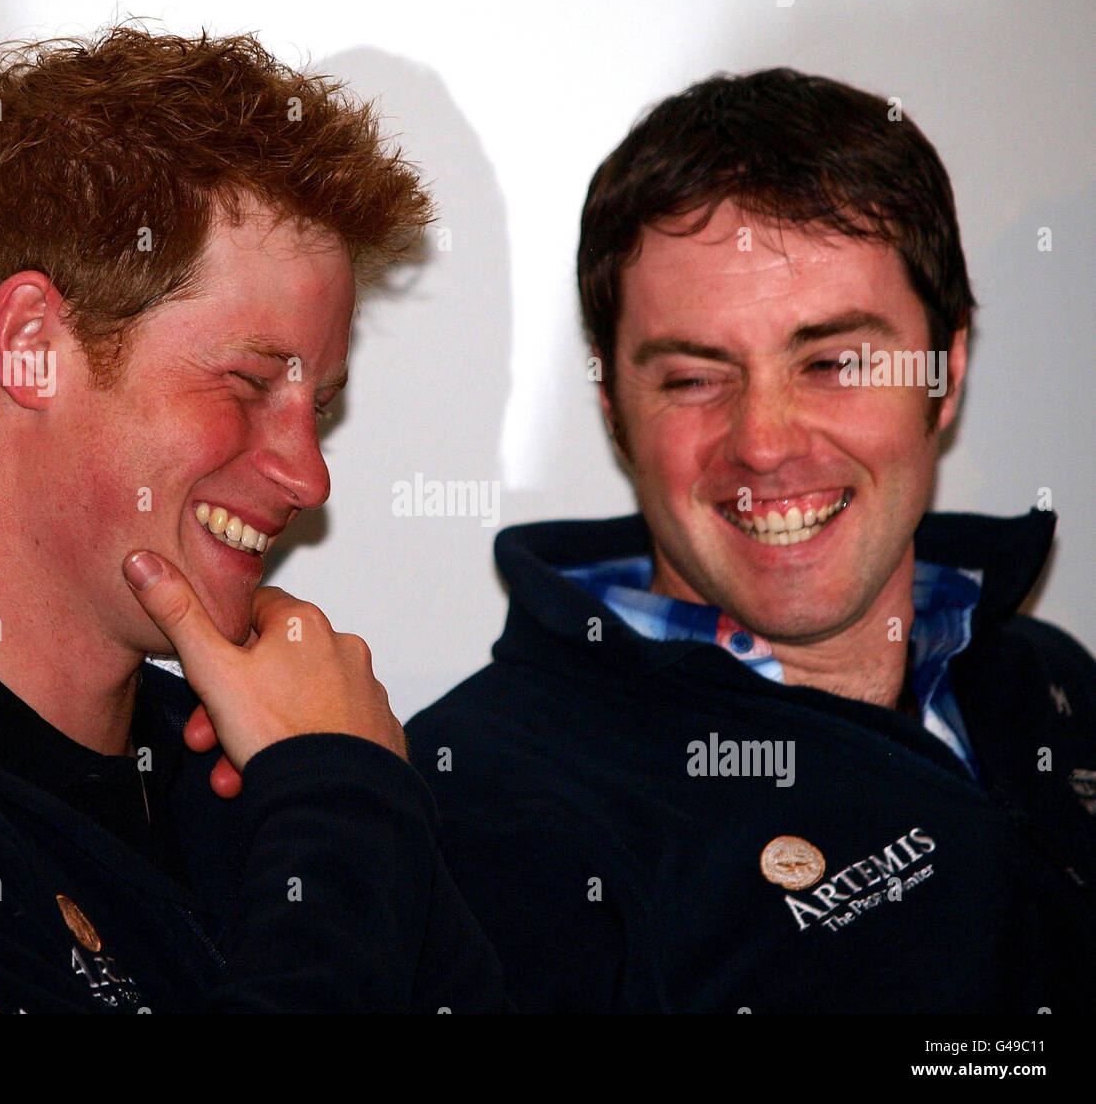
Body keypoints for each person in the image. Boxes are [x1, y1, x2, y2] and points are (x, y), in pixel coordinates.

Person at [0, 26, 504, 1014]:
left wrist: (338, 804)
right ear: (32, 346)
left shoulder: (254, 770)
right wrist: (341, 812)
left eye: (320, 409)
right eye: (250, 382)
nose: (308, 477)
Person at [407, 68, 1096, 1013]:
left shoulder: (1046, 679)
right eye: (694, 377)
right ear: (614, 409)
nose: (765, 442)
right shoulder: (483, 813)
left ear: (947, 369)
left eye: (834, 362)